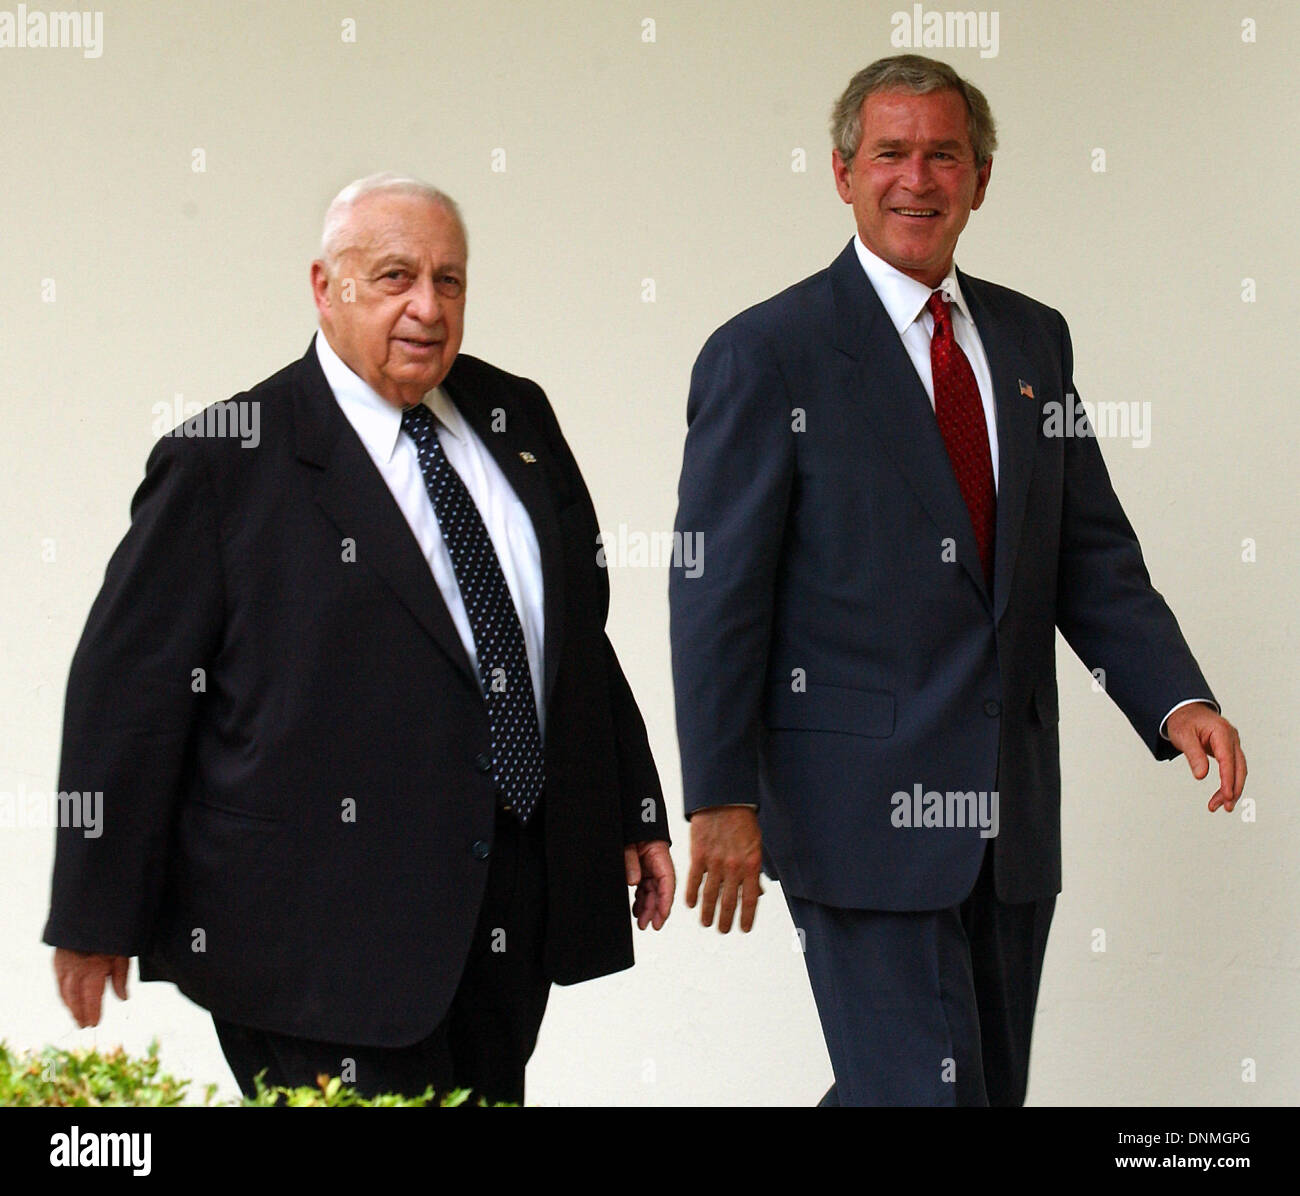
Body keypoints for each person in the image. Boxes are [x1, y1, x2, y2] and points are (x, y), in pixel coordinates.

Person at [668, 56, 1245, 1107]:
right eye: (890, 152)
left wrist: (1176, 695)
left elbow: (1087, 552)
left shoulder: (1033, 339)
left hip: (1009, 818)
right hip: (854, 816)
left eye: (944, 154)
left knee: (974, 1092)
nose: (917, 178)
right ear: (842, 173)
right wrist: (717, 792)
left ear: (982, 179)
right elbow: (715, 593)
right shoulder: (768, 352)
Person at [43, 172, 674, 1105]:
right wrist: (96, 909)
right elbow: (127, 692)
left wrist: (631, 807)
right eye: (394, 278)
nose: (426, 307)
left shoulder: (517, 414)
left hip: (502, 912)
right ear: (323, 285)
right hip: (308, 931)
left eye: (449, 281)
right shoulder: (227, 458)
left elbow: (576, 633)